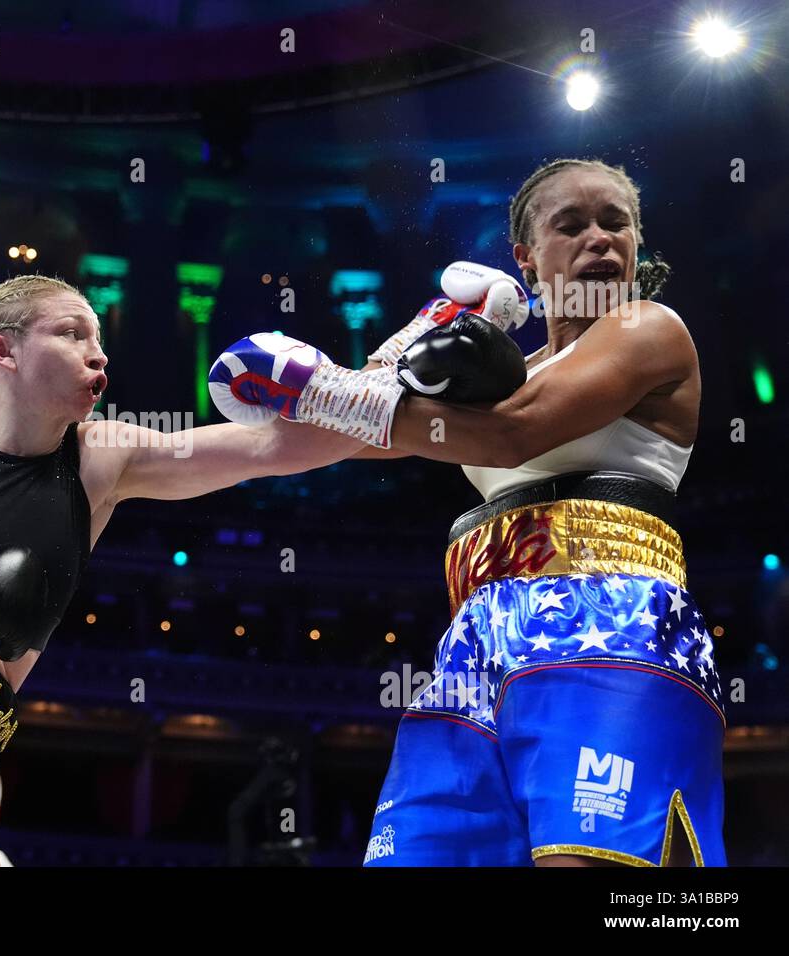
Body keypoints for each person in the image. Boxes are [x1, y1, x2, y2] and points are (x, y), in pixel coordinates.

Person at [0, 274, 521, 866]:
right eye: (72, 333)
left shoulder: (103, 460)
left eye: (101, 338)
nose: (99, 351)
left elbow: (277, 448)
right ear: (3, 350)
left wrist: (418, 340)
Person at [213, 158, 721, 867]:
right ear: (525, 256)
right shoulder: (508, 376)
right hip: (478, 635)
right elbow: (331, 440)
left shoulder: (648, 326)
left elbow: (514, 432)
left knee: (584, 862)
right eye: (571, 225)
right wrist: (146, 452)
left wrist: (316, 384)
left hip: (611, 618)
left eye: (617, 223)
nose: (600, 240)